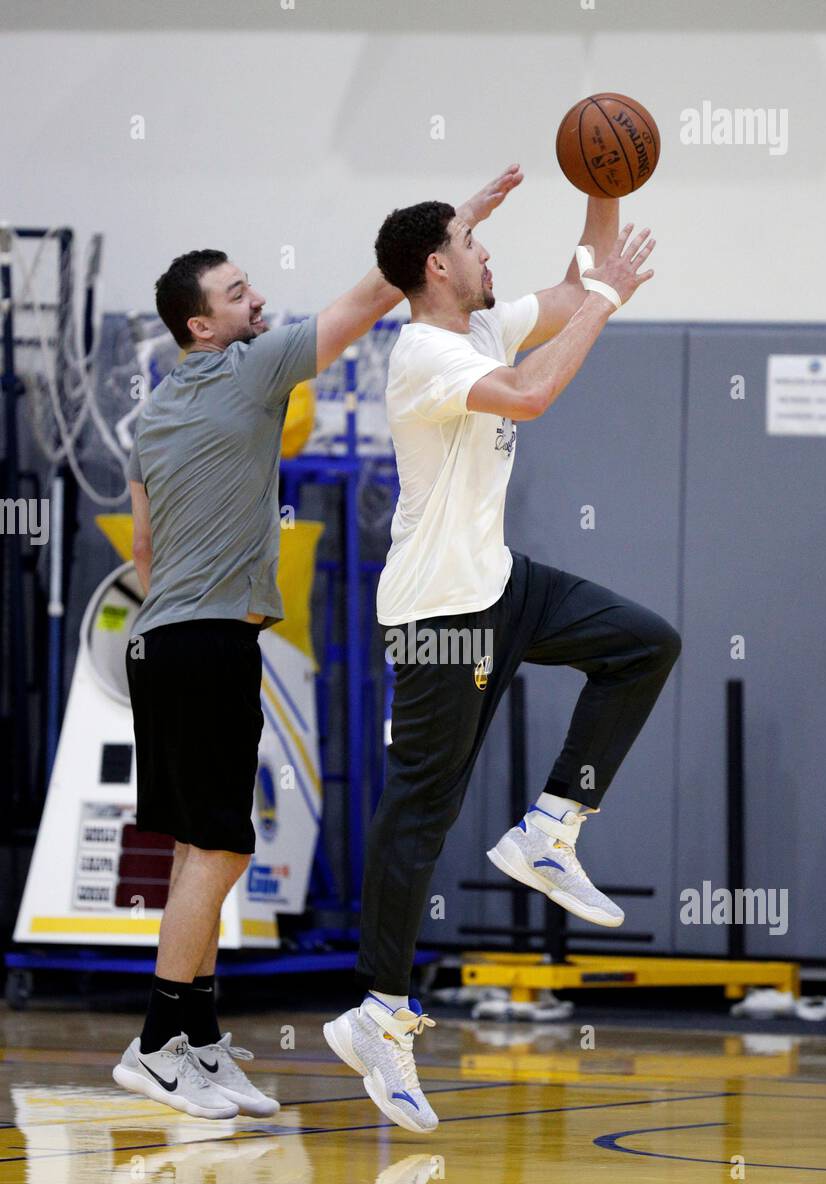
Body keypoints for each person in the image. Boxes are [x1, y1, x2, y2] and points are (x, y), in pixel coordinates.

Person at [112, 165, 523, 1120]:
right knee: (217, 845)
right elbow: (374, 293)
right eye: (235, 294)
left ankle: (200, 1039)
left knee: (196, 847)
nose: (257, 298)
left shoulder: (153, 415)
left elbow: (140, 547)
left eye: (249, 284)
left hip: (160, 640)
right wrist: (451, 226)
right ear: (201, 328)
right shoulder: (250, 367)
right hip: (208, 642)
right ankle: (158, 1042)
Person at [323, 192, 680, 1133]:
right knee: (419, 815)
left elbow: (572, 287)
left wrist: (601, 188)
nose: (486, 253)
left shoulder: (477, 321)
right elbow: (532, 391)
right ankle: (379, 1015)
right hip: (440, 612)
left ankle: (550, 828)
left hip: (499, 584)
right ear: (436, 266)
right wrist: (606, 301)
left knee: (644, 644)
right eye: (470, 242)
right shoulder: (427, 353)